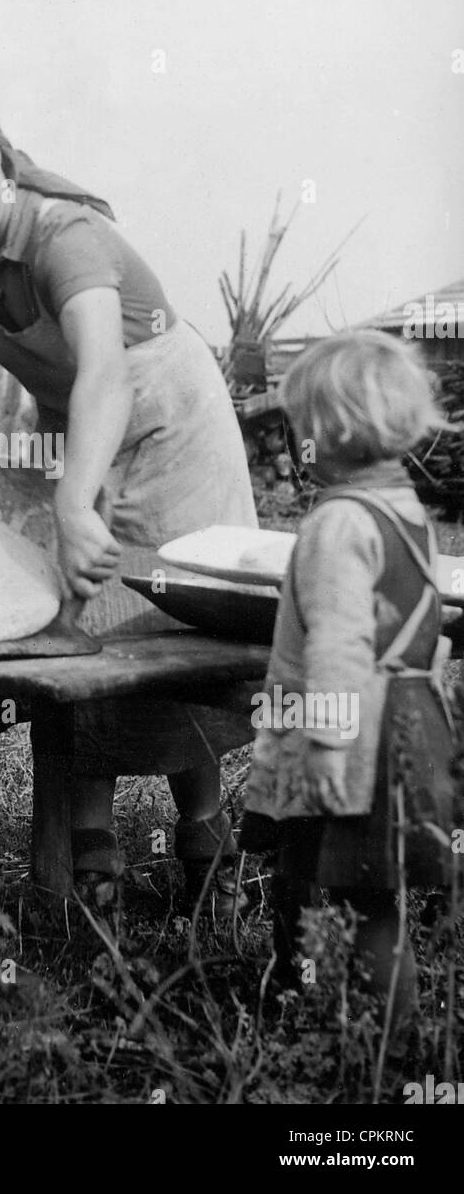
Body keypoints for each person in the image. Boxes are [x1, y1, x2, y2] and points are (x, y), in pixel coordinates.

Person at [0, 91, 259, 914]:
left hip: (165, 419)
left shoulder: (66, 235)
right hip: (75, 422)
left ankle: (204, 844)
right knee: (80, 620)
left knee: (170, 622)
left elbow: (106, 372)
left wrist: (74, 501)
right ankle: (88, 857)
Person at [241, 331, 461, 1033]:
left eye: (305, 423)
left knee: (318, 886)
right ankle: (371, 1032)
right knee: (375, 896)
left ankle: (341, 1032)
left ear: (330, 431)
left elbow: (337, 646)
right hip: (408, 726)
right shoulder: (405, 513)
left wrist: (327, 750)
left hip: (351, 742)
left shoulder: (336, 523)